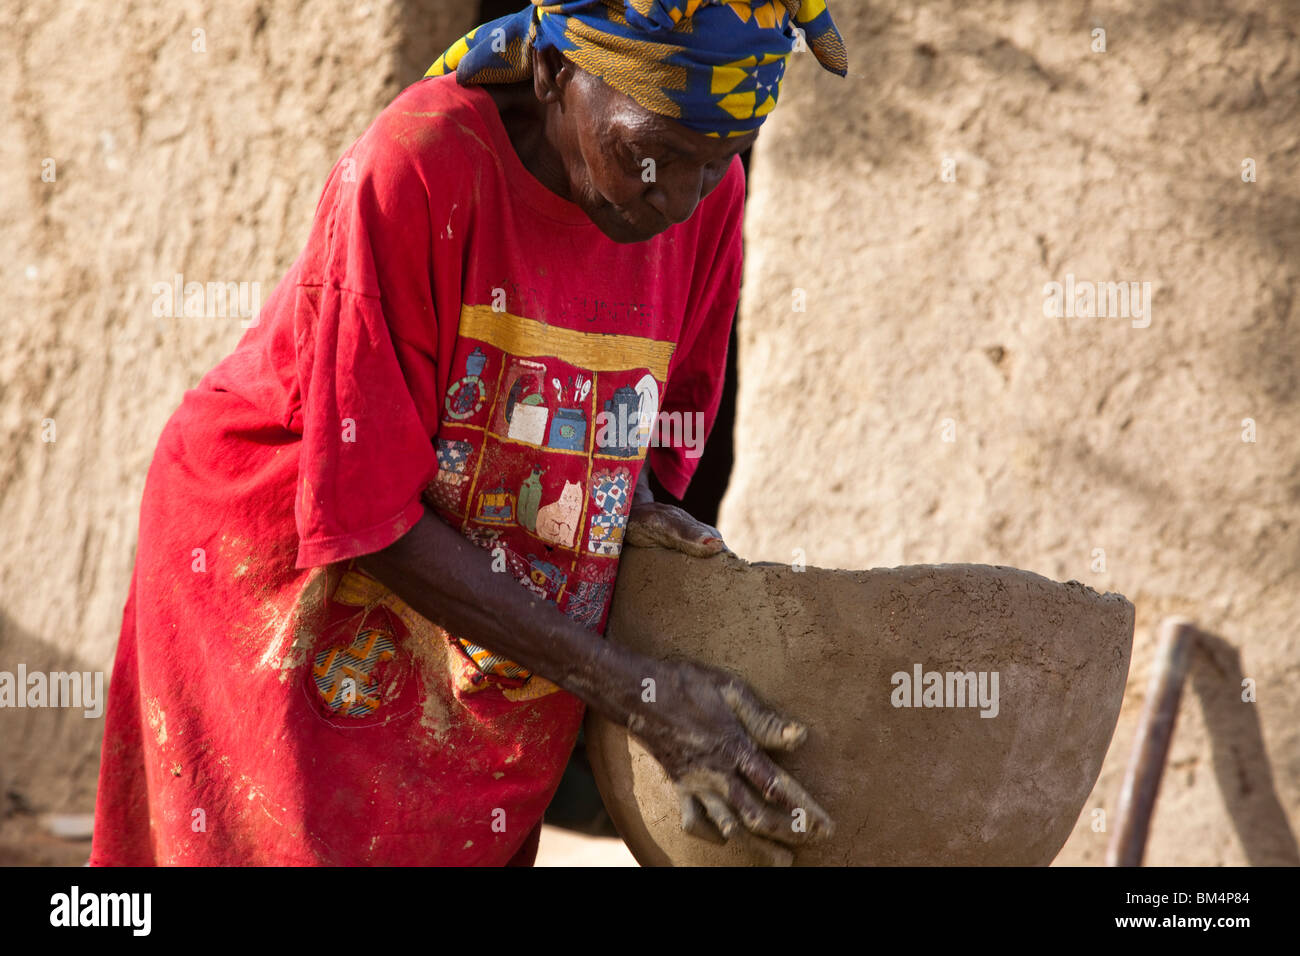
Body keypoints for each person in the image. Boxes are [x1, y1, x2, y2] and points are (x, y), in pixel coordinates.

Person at [90, 0, 848, 867]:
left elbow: (651, 416)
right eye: (656, 153)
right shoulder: (419, 165)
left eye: (713, 165)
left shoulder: (708, 205)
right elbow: (362, 510)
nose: (677, 199)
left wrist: (623, 499)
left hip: (483, 577)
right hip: (286, 568)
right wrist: (636, 692)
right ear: (554, 75)